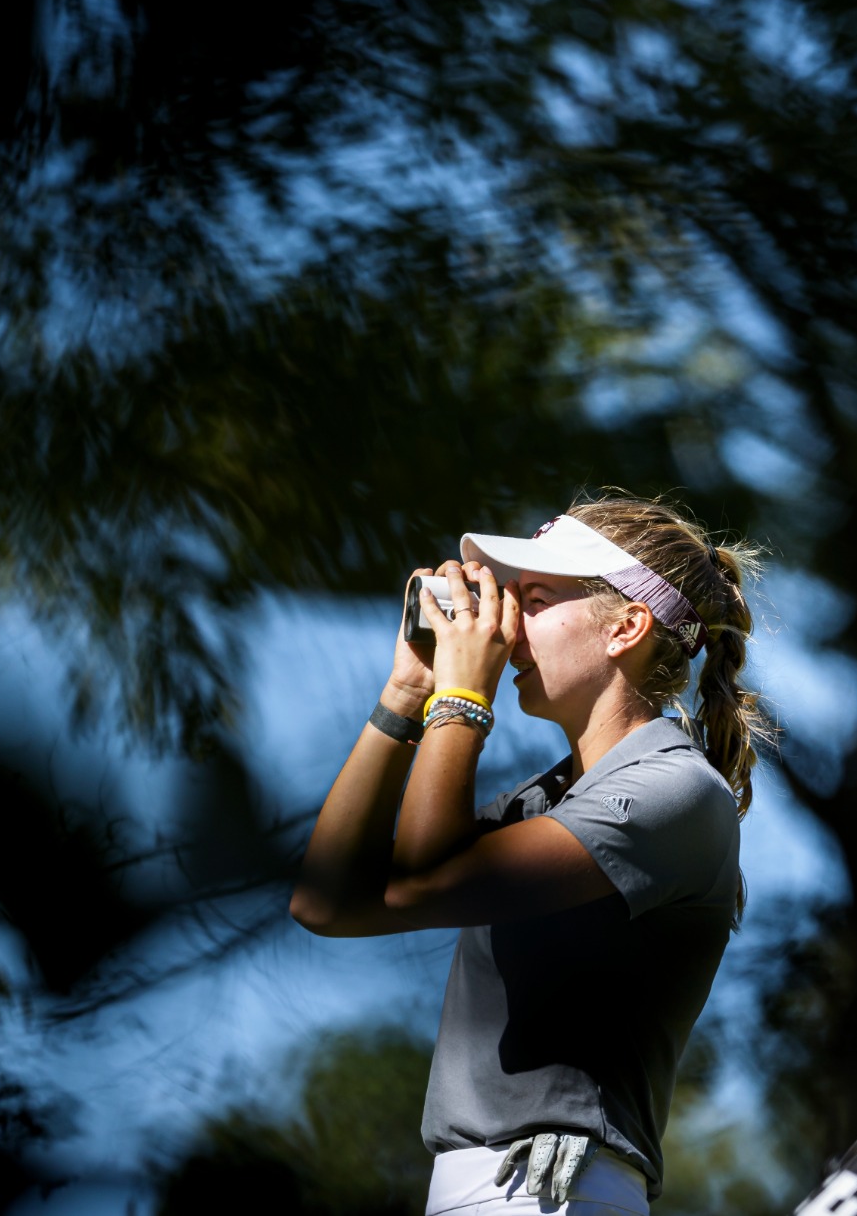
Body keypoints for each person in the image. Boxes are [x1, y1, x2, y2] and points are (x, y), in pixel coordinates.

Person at [289, 493, 766, 1215]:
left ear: (627, 627)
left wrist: (460, 698)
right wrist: (405, 694)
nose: (507, 629)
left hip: (555, 1191)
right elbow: (327, 900)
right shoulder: (550, 804)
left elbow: (427, 878)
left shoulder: (675, 791)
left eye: (534, 600)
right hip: (480, 1187)